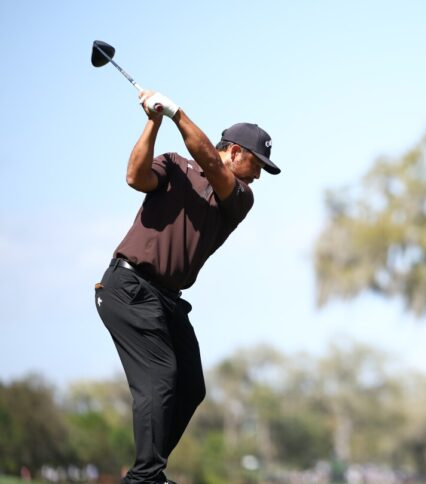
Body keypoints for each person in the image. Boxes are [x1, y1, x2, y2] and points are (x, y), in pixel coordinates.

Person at [94, 90, 280, 483]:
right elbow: (135, 176)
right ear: (234, 151)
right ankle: (147, 477)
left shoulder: (240, 198)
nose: (259, 174)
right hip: (128, 286)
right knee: (160, 377)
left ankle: (147, 473)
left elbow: (210, 163)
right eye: (256, 162)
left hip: (166, 300)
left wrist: (177, 112)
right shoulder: (175, 165)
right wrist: (154, 121)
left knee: (190, 386)